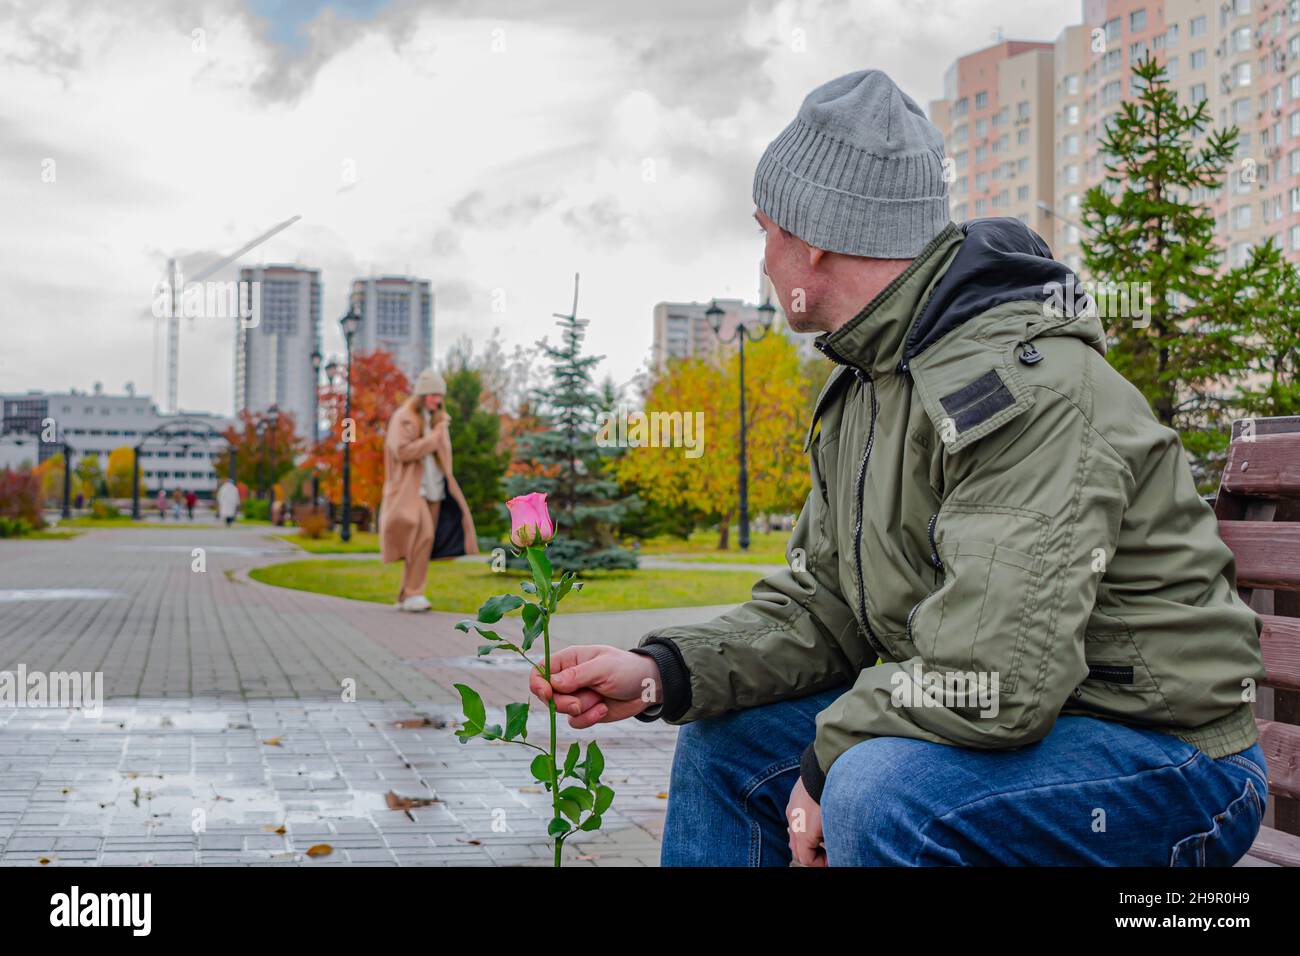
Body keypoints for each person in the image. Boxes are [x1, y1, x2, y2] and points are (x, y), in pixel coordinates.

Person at [529, 69, 1268, 867]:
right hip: (1049, 727)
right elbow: (824, 612)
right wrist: (663, 671)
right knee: (727, 743)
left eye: (764, 230)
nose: (764, 259)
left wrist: (824, 763)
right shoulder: (873, 385)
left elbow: (997, 676)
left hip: (1169, 761)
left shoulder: (1022, 389)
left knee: (876, 789)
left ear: (811, 238)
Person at [379, 369, 449, 612]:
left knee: (421, 545)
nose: (437, 400)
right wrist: (433, 440)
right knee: (424, 536)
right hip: (412, 488)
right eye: (433, 395)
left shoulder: (437, 420)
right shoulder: (404, 417)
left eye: (440, 395)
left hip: (434, 488)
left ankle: (406, 595)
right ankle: (414, 594)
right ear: (421, 395)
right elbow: (402, 451)